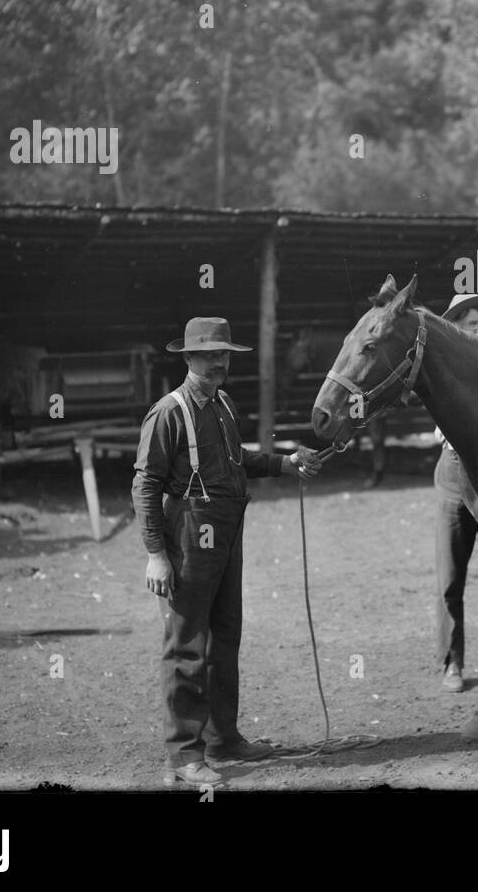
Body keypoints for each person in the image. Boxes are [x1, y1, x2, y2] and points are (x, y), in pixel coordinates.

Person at [134, 316, 323, 787]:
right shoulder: (168, 413)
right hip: (188, 533)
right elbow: (145, 484)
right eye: (210, 355)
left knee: (225, 636)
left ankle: (223, 737)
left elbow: (238, 463)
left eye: (224, 355)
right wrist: (157, 553)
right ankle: (182, 756)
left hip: (226, 529)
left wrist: (287, 461)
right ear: (189, 358)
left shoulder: (222, 405)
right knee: (186, 644)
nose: (219, 363)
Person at [434, 292, 478, 692]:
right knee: (450, 573)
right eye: (471, 324)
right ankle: (452, 662)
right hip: (453, 472)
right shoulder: (445, 370)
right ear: (456, 329)